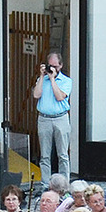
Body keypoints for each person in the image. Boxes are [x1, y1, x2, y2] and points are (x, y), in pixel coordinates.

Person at [32, 51, 74, 180]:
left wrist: (52, 79)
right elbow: (36, 95)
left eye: (55, 66)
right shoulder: (41, 80)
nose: (52, 69)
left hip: (61, 118)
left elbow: (60, 96)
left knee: (62, 155)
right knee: (45, 155)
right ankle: (45, 183)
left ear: (60, 66)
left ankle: (64, 184)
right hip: (44, 119)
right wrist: (41, 75)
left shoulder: (66, 81)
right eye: (50, 66)